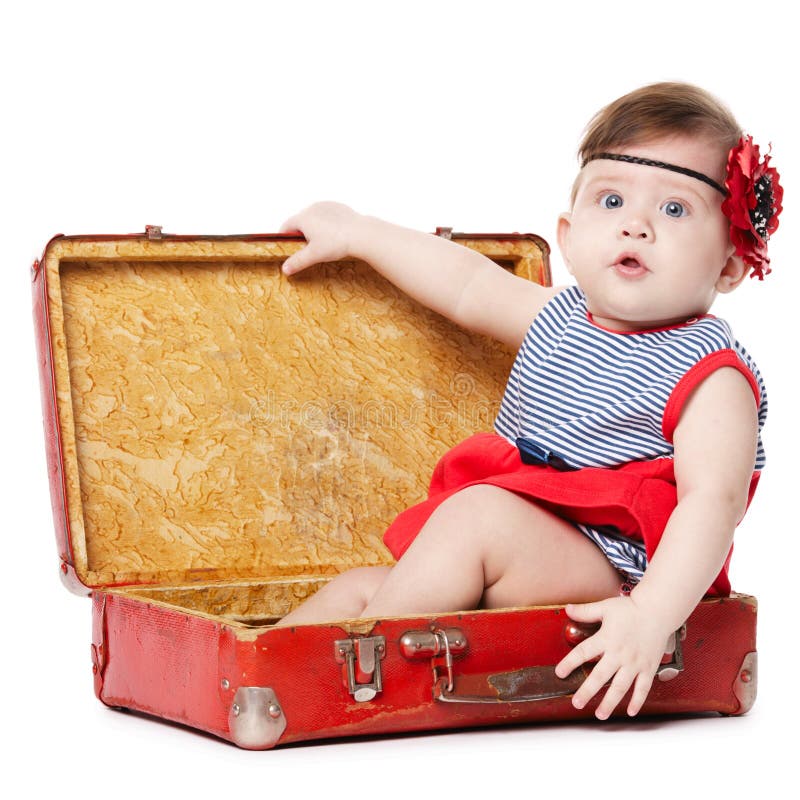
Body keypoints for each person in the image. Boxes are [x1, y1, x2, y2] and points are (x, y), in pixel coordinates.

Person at [273, 82, 782, 720]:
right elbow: (465, 284)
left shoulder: (710, 375)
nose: (636, 224)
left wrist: (651, 614)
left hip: (618, 573)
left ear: (731, 265)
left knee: (478, 515)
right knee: (359, 590)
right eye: (612, 200)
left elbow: (713, 504)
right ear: (567, 236)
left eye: (675, 209)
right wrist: (358, 232)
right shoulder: (558, 318)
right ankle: (271, 678)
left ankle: (357, 691)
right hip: (527, 548)